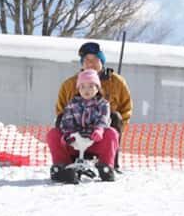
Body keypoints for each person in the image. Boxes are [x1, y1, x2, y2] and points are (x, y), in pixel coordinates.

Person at [55, 41, 133, 169]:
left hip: (103, 131)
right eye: (86, 60)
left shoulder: (117, 82)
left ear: (102, 61)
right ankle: (64, 162)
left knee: (115, 116)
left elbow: (126, 108)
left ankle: (110, 164)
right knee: (61, 118)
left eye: (95, 59)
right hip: (75, 132)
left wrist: (113, 127)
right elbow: (60, 109)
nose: (91, 63)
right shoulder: (69, 84)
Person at [47, 69, 120, 183]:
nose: (87, 90)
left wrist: (99, 130)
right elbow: (67, 122)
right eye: (83, 87)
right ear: (78, 89)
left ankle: (105, 167)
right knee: (53, 134)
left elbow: (103, 119)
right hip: (74, 142)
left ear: (97, 88)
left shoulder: (103, 104)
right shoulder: (72, 104)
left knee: (112, 133)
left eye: (91, 86)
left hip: (94, 141)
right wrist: (69, 135)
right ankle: (62, 167)